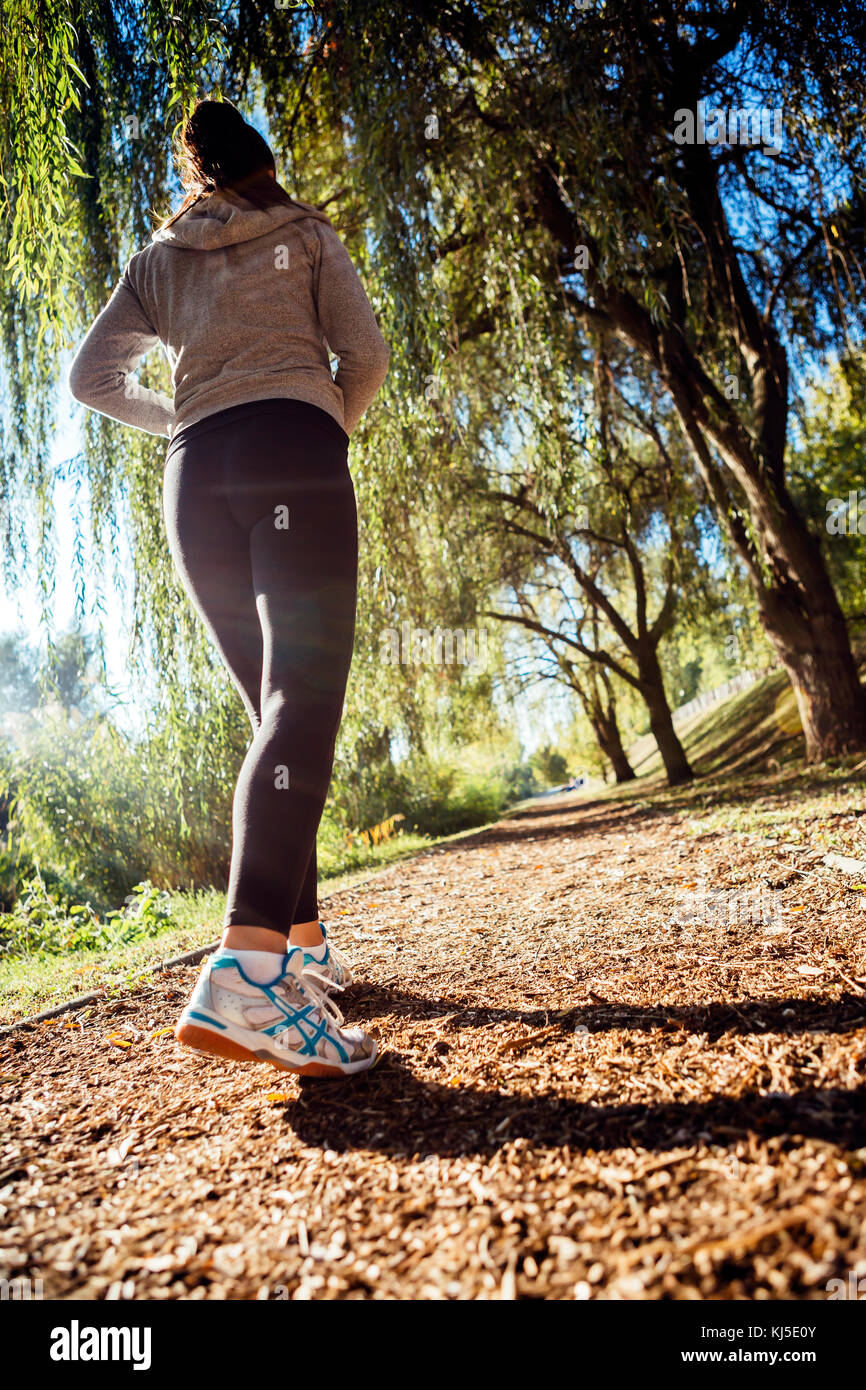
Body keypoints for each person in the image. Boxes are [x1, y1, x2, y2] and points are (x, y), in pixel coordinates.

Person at [67, 98, 390, 1078]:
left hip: (193, 478)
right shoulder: (303, 232)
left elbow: (91, 379)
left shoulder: (160, 255)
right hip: (290, 453)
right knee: (299, 704)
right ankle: (246, 969)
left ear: (192, 166)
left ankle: (300, 952)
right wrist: (323, 419)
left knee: (272, 716)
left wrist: (181, 418)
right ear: (261, 158)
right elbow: (364, 357)